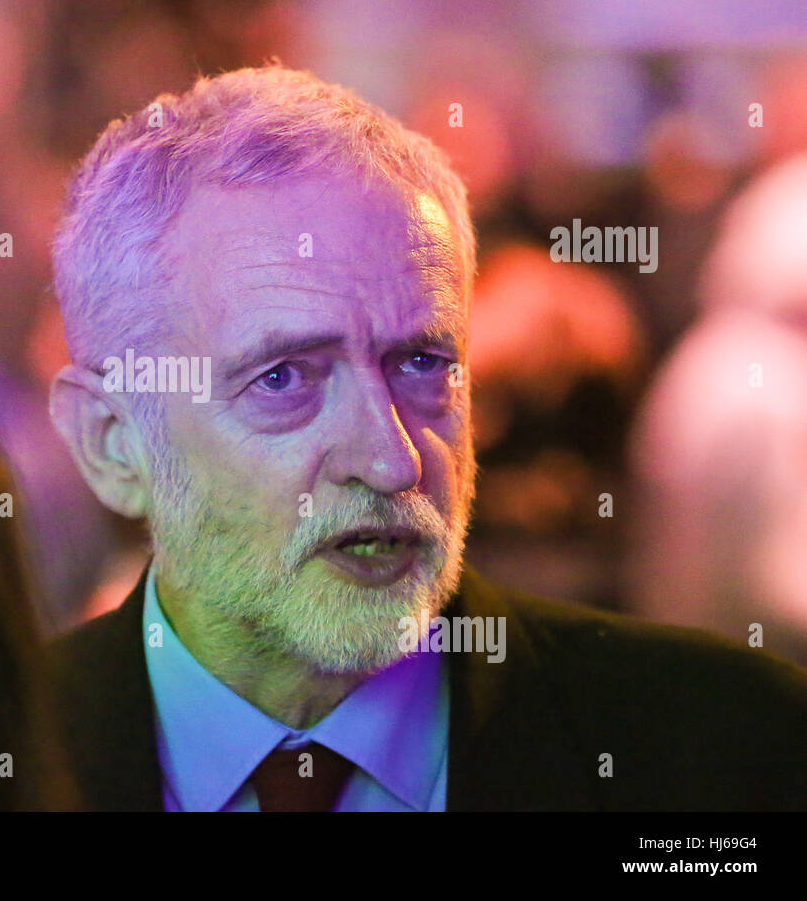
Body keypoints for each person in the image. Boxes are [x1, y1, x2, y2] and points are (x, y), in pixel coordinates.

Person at [40, 64, 807, 811]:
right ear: (113, 442)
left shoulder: (733, 750)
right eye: (283, 380)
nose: (391, 458)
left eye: (421, 365)